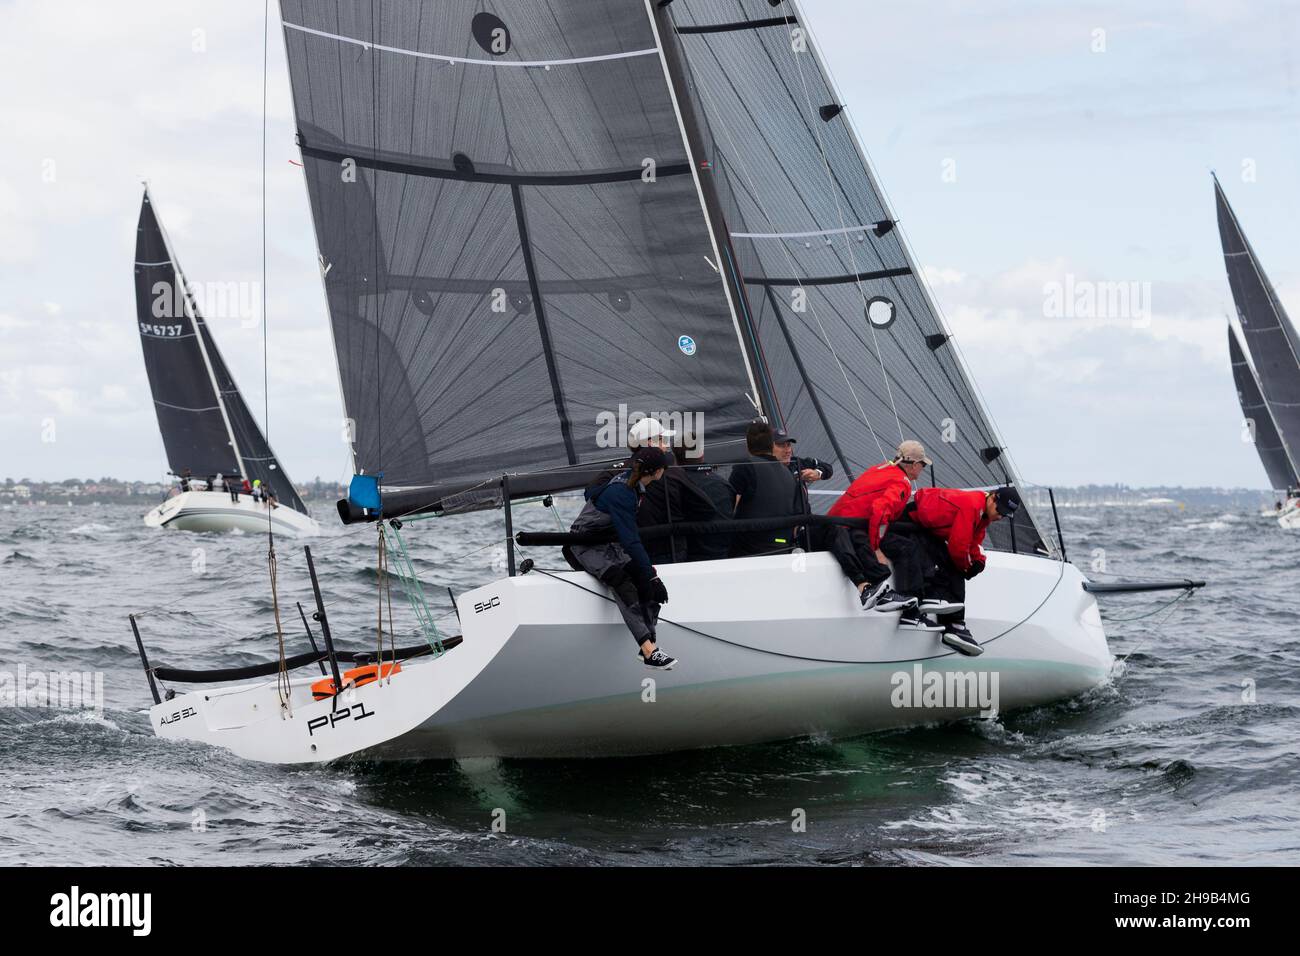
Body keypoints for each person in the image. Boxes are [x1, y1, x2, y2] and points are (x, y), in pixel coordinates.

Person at [567, 445, 677, 669]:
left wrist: (650, 578)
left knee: (647, 585)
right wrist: (653, 576)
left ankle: (649, 646)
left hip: (608, 544)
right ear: (656, 471)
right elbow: (631, 541)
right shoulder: (623, 492)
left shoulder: (634, 485)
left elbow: (591, 493)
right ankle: (648, 649)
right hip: (584, 546)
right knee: (623, 584)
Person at [884, 485, 1022, 656]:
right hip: (909, 521)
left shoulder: (984, 515)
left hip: (926, 529)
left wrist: (978, 561)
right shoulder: (972, 505)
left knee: (955, 566)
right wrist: (966, 567)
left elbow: (974, 542)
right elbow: (958, 546)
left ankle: (955, 626)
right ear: (992, 498)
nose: (999, 516)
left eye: (1004, 515)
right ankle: (925, 605)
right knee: (946, 562)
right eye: (999, 510)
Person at [821, 440, 929, 612]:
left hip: (833, 524)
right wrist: (876, 548)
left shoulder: (881, 468)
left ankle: (883, 592)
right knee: (907, 548)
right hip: (847, 528)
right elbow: (880, 511)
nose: (922, 469)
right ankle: (911, 609)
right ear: (914, 465)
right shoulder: (902, 482)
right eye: (923, 464)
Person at [728, 421, 804, 557]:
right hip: (782, 546)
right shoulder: (789, 473)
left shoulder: (745, 467)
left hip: (749, 548)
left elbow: (730, 507)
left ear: (747, 444)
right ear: (771, 444)